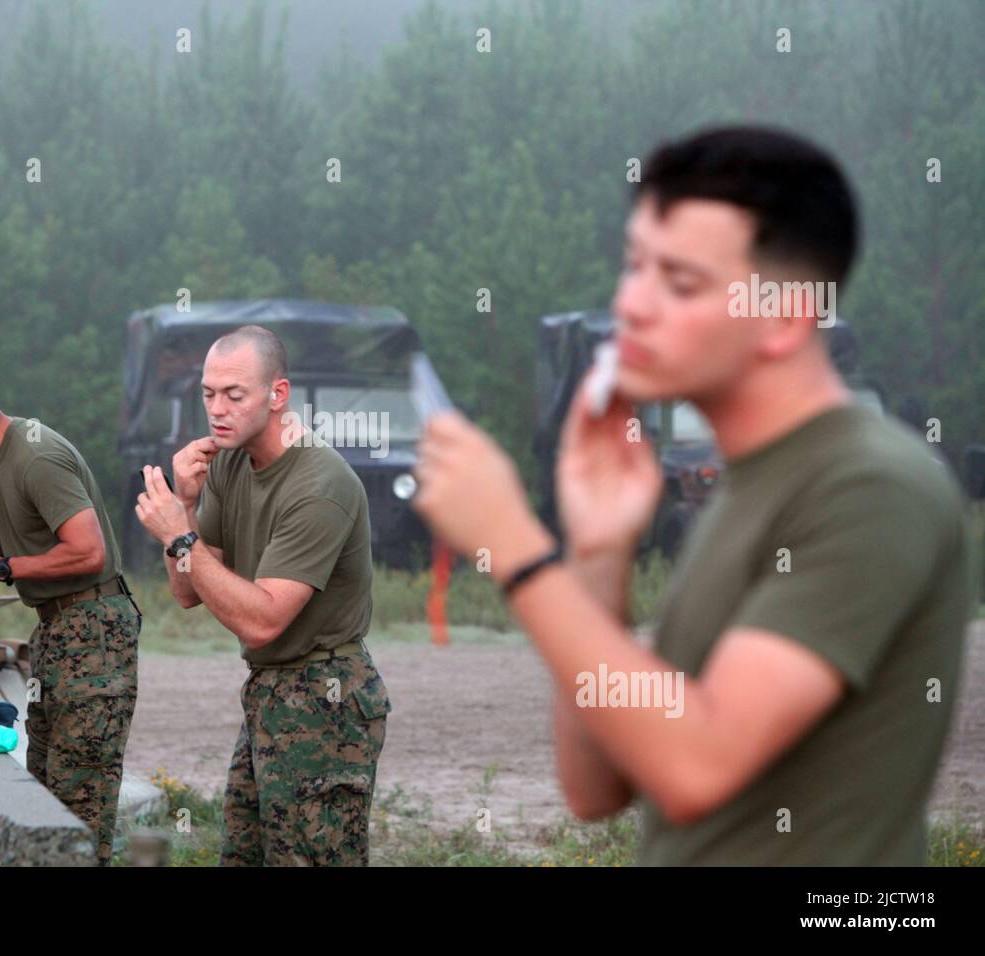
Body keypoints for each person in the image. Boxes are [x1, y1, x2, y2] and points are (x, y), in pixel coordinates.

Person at [411, 126, 973, 865]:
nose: (633, 305)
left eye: (680, 283)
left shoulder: (870, 485)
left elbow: (697, 765)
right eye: (634, 266)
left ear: (787, 315)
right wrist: (601, 554)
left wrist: (516, 546)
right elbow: (597, 786)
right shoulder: (744, 487)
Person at [134, 325, 391, 866]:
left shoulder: (320, 484)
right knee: (245, 856)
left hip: (326, 699)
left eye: (234, 394)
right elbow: (188, 590)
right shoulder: (228, 461)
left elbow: (263, 621)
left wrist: (180, 533)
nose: (217, 409)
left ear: (278, 395)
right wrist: (186, 503)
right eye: (208, 394)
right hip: (270, 693)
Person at [0, 358, 139, 866]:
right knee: (45, 787)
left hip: (95, 629)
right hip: (57, 628)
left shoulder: (37, 455)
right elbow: (2, 547)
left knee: (80, 796)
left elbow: (90, 552)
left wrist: (2, 571)